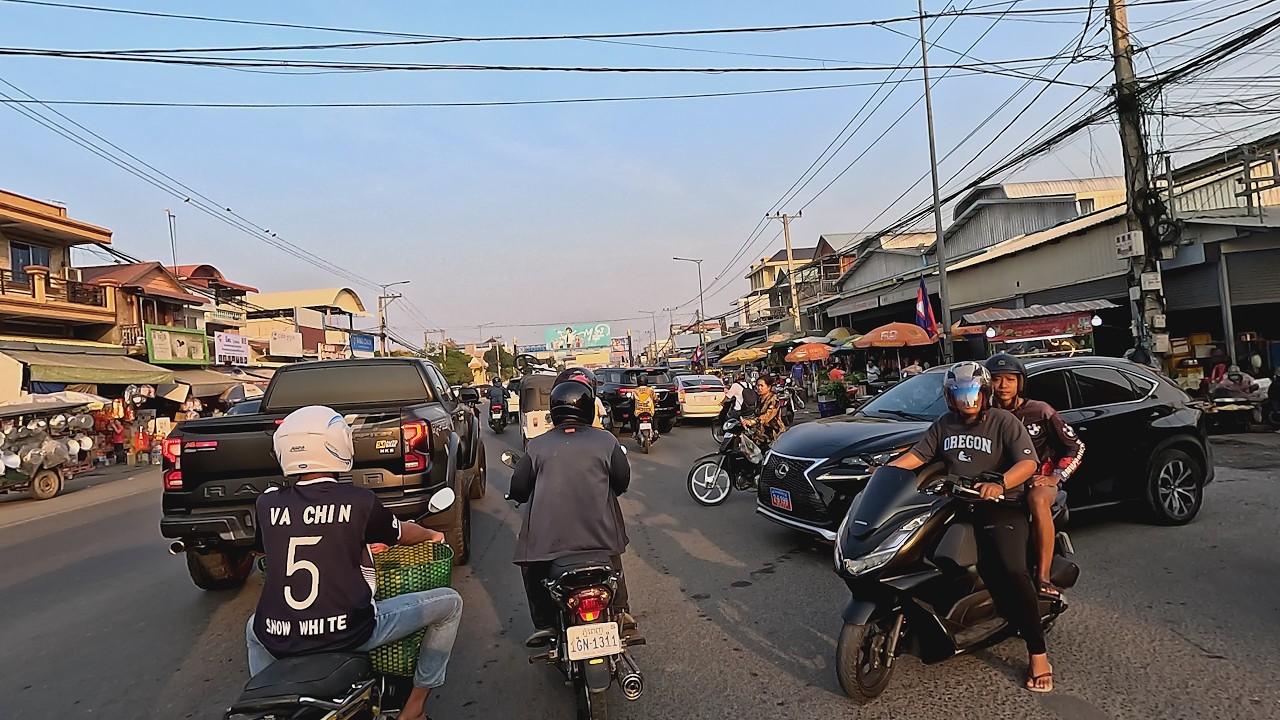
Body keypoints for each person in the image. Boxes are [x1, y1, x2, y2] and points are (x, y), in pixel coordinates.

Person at [246, 406, 463, 720]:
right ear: (338, 445)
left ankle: (268, 704)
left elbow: (262, 551)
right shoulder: (359, 501)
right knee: (451, 604)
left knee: (252, 629)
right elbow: (401, 533)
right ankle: (413, 709)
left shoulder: (267, 503)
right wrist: (432, 535)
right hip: (351, 630)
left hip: (278, 633)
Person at [888, 362, 1052, 693]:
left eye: (974, 392)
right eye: (960, 393)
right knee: (921, 552)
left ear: (985, 393)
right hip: (956, 504)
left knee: (1010, 568)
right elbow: (919, 455)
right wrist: (885, 473)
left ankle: (1038, 653)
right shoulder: (943, 424)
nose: (968, 399)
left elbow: (1027, 462)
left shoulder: (1003, 422)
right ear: (950, 397)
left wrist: (1001, 484)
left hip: (1000, 505)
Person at [510, 372, 636, 648]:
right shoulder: (607, 442)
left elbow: (518, 488)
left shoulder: (537, 446)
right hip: (601, 538)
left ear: (554, 410)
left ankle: (544, 624)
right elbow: (622, 481)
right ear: (589, 407)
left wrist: (519, 493)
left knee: (531, 569)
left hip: (547, 544)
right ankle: (622, 613)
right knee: (613, 563)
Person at [985, 353, 1085, 599]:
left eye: (1010, 379)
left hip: (1037, 482)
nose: (1003, 386)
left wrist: (1055, 477)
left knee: (1038, 500)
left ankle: (1043, 576)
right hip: (999, 483)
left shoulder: (1040, 411)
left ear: (1020, 382)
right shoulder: (983, 414)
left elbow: (1076, 447)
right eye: (997, 380)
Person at [742, 374, 786, 447]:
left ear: (768, 387)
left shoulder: (774, 400)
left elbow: (768, 416)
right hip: (761, 433)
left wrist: (753, 421)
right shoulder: (759, 399)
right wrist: (747, 420)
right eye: (758, 385)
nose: (759, 388)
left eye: (762, 386)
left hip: (774, 434)